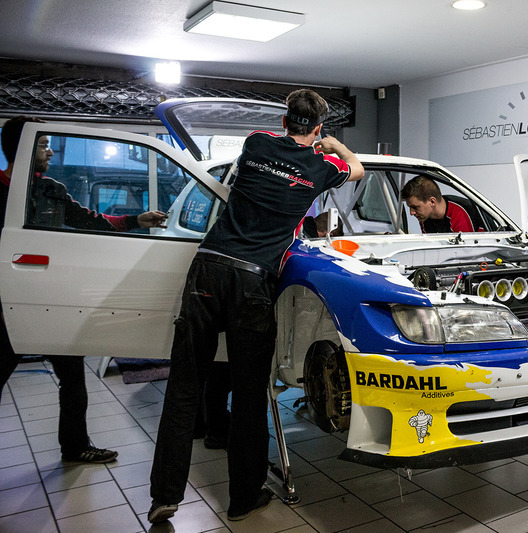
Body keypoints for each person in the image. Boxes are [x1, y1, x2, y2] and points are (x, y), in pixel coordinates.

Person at [148, 88, 364, 524]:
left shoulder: (256, 144)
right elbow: (357, 169)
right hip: (253, 279)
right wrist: (333, 146)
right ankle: (244, 498)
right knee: (249, 396)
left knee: (185, 386)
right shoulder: (321, 167)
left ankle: (164, 497)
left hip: (208, 269)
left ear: (284, 121)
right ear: (318, 129)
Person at [0, 115, 168, 464]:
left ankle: (75, 446)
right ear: (23, 147)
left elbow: (89, 221)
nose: (50, 152)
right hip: (6, 305)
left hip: (46, 301)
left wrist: (135, 221)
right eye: (44, 145)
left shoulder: (49, 190)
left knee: (74, 377)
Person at [400, 175, 474, 233]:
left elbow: (466, 247)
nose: (411, 213)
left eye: (415, 207)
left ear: (432, 202)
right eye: (410, 207)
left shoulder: (459, 214)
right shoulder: (424, 216)